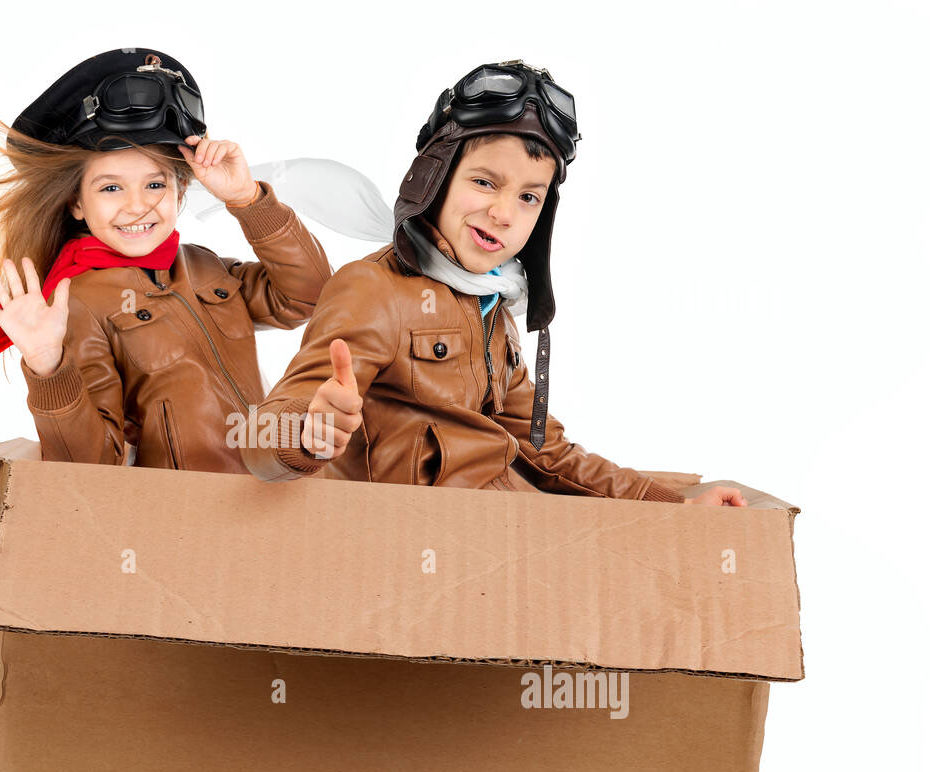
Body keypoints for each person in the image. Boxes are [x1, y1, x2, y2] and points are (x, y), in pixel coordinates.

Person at [239, 60, 745, 507]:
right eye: (485, 182)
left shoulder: (493, 307)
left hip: (505, 537)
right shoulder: (373, 289)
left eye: (529, 197)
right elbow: (263, 438)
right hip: (419, 549)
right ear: (432, 180)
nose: (504, 213)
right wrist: (310, 431)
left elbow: (545, 449)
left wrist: (674, 504)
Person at [0, 48, 332, 471]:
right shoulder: (77, 303)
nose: (137, 206)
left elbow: (310, 297)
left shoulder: (205, 266)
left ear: (180, 188)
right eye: (110, 188)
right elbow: (90, 465)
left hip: (272, 497)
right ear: (76, 204)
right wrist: (48, 365)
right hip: (179, 522)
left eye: (155, 183)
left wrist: (248, 200)